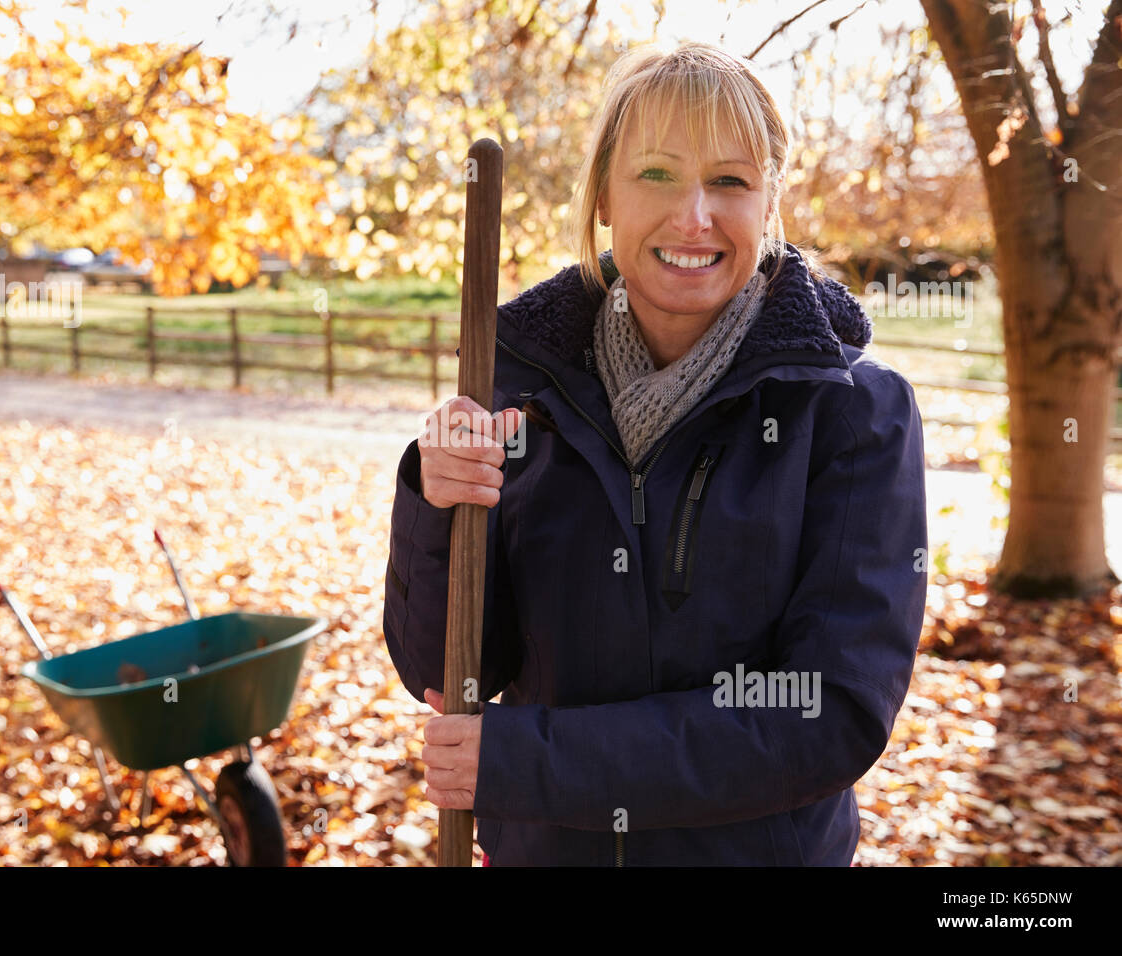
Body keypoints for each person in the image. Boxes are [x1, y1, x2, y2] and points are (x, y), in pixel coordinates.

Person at [383, 40, 927, 866]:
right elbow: (445, 670)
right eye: (658, 174)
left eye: (731, 182)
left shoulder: (851, 411)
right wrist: (433, 498)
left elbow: (829, 713)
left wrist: (531, 762)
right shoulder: (515, 387)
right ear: (604, 194)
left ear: (769, 200)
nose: (694, 216)